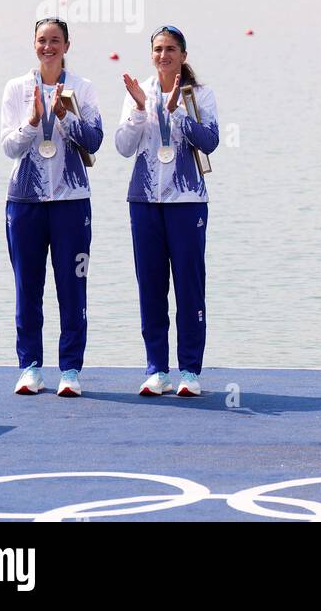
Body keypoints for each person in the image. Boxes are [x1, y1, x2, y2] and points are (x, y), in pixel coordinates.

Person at [1, 17, 104, 397]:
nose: (49, 47)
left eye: (55, 40)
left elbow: (94, 141)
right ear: (34, 45)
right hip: (24, 201)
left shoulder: (83, 88)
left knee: (72, 288)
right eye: (43, 40)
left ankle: (70, 370)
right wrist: (31, 123)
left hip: (71, 202)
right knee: (27, 288)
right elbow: (9, 147)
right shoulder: (16, 88)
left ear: (67, 45)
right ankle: (29, 367)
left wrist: (64, 116)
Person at [115, 26, 219, 398]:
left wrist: (176, 115)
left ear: (183, 55)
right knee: (151, 287)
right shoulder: (138, 93)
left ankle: (190, 370)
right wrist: (142, 110)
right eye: (158, 49)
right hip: (144, 202)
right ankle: (156, 369)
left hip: (187, 201)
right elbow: (123, 147)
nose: (164, 55)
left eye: (171, 49)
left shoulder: (199, 94)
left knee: (190, 288)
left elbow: (210, 142)